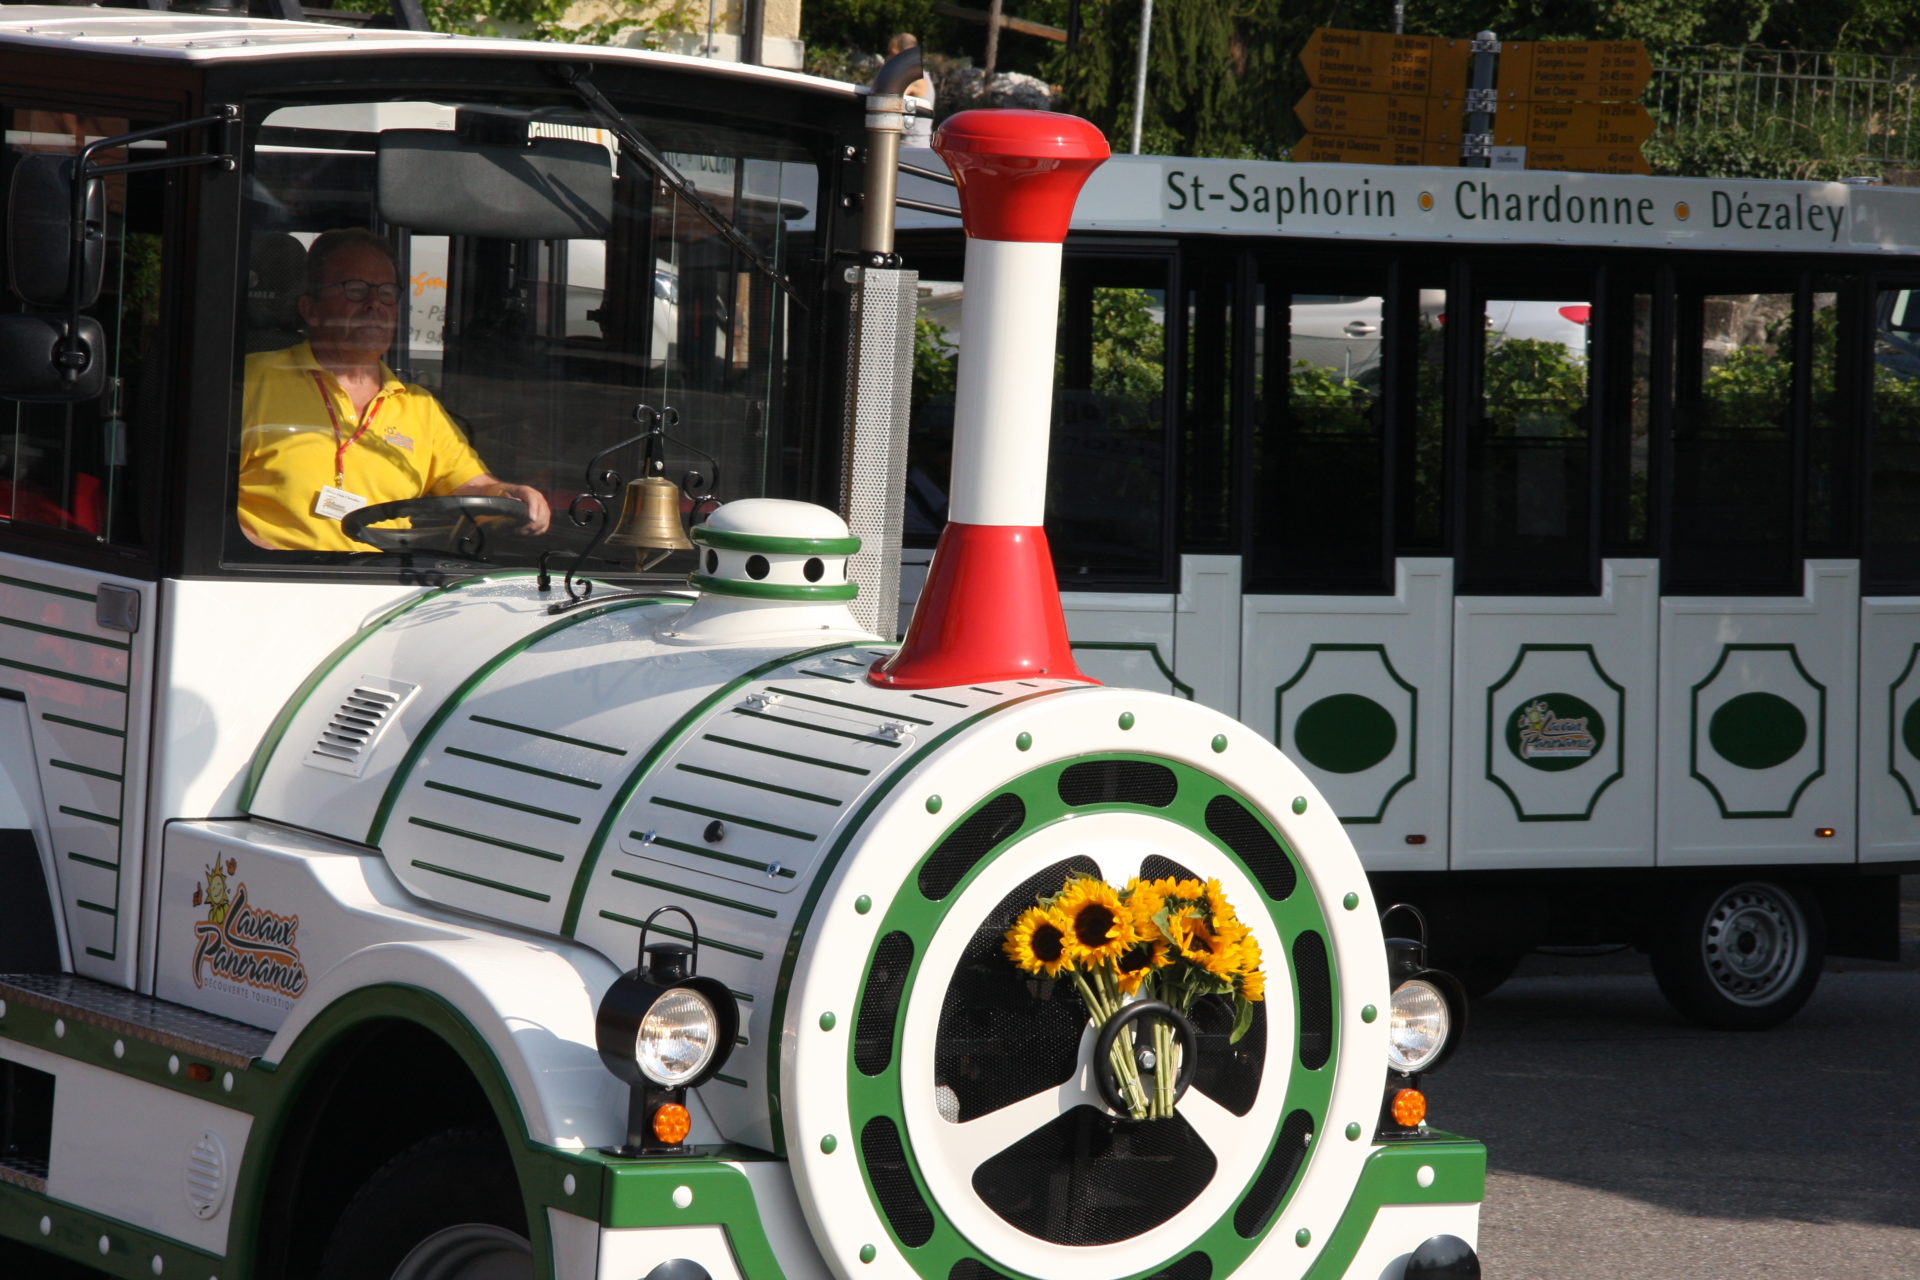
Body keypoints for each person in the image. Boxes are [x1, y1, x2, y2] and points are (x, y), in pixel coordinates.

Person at [237, 227, 552, 552]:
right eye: (355, 290)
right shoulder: (251, 380)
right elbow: (199, 498)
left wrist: (511, 495)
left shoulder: (417, 406)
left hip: (382, 589)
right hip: (270, 584)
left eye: (387, 292)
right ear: (311, 309)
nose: (375, 303)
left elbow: (472, 485)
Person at [887, 32, 935, 146]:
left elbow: (885, 100)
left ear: (904, 53)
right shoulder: (917, 73)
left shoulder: (913, 76)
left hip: (910, 145)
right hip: (908, 142)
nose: (888, 58)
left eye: (891, 53)